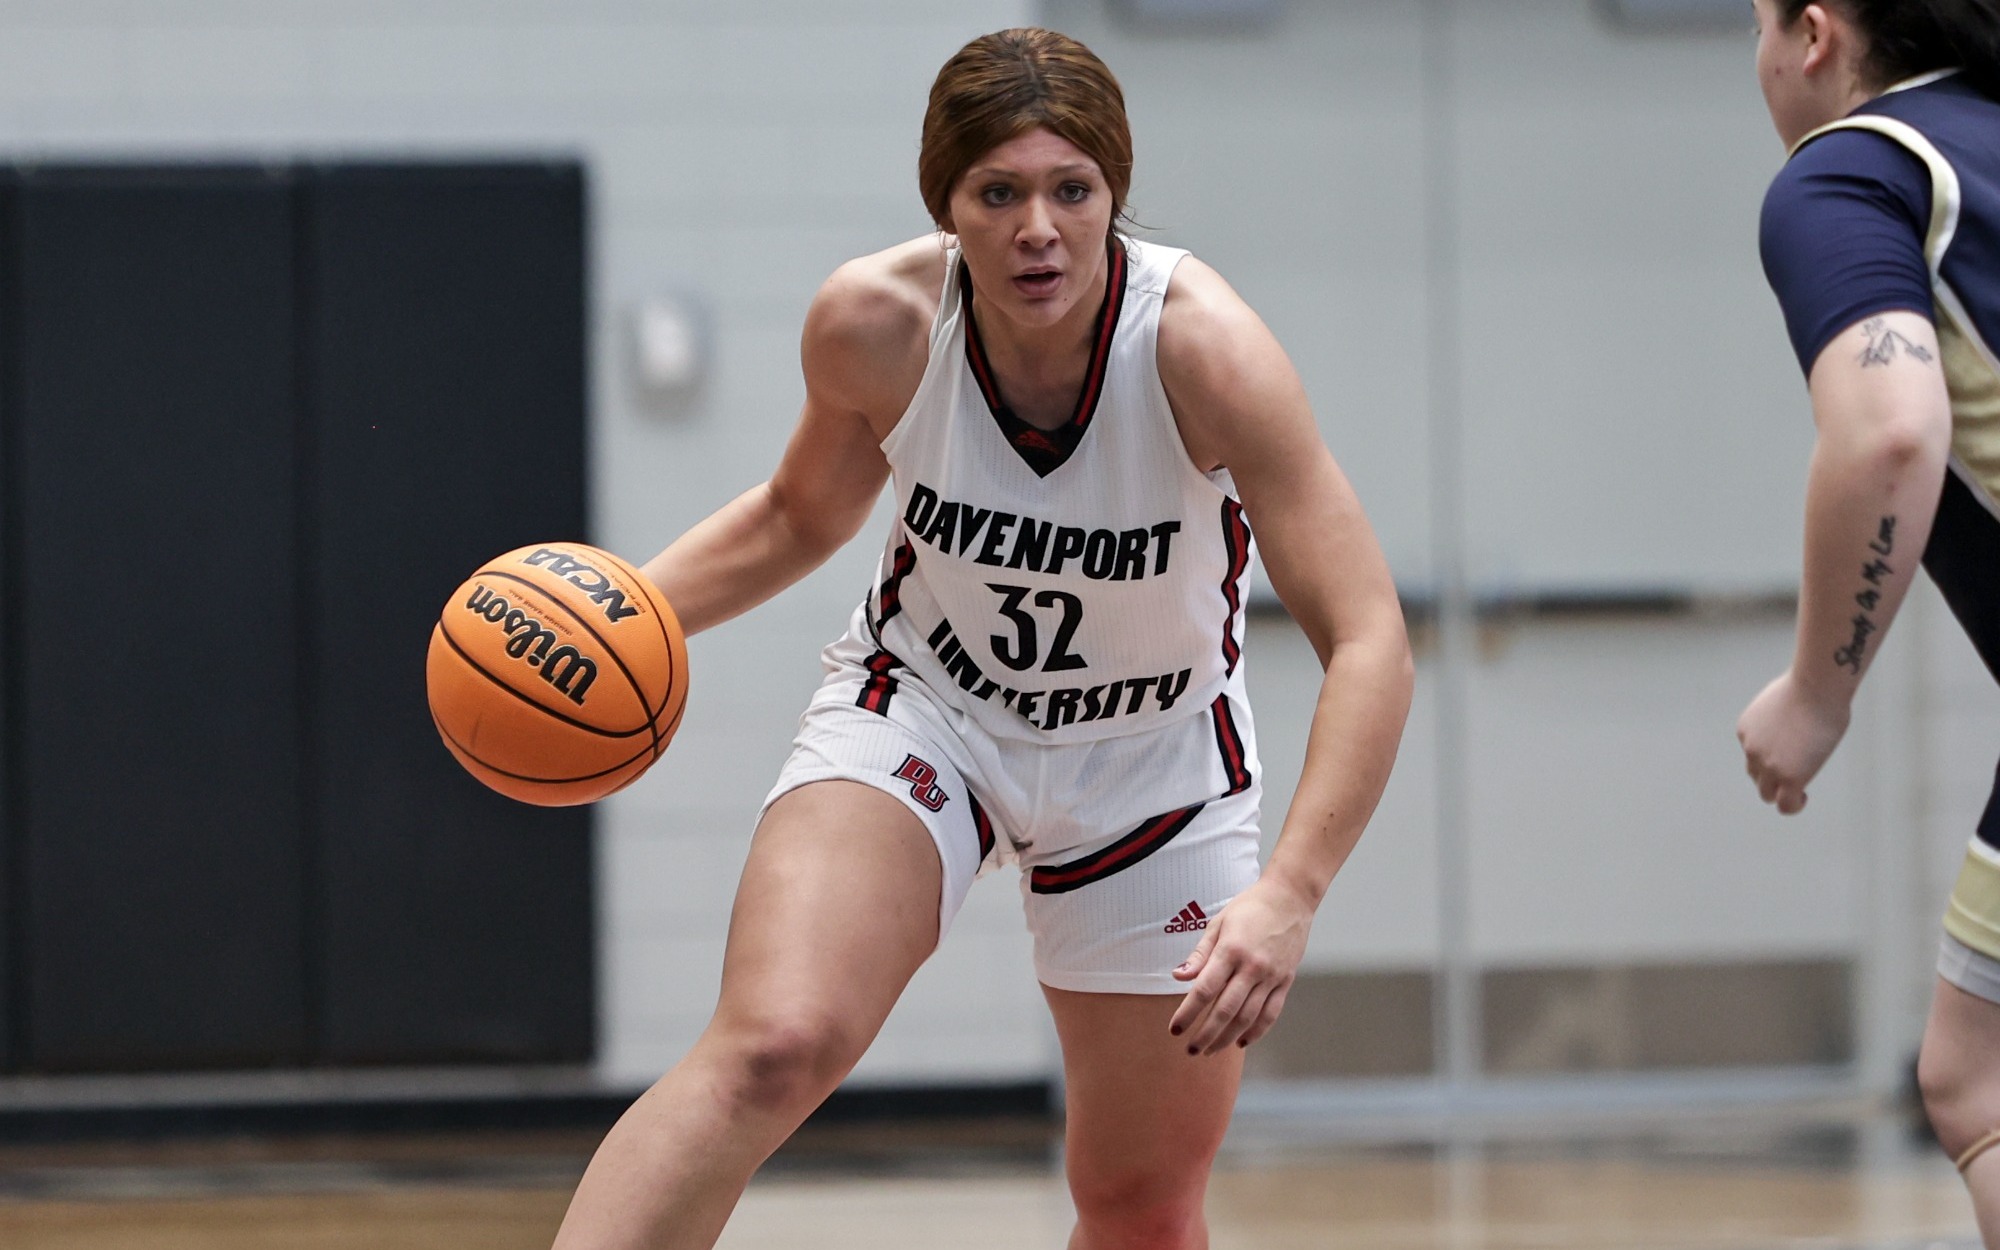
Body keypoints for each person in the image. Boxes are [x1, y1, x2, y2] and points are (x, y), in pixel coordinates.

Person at [550, 26, 1412, 1250]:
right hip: (927, 711)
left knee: (1140, 1208)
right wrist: (623, 612)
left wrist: (1291, 893)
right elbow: (800, 513)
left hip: (1152, 765)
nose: (1037, 228)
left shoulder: (1203, 349)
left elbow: (1369, 635)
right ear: (944, 205)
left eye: (1072, 190)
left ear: (1112, 194)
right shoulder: (878, 323)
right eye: (997, 193)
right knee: (769, 1046)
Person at [1738, 0, 2000, 1240]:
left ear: (1812, 32)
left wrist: (1815, 692)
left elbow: (1889, 427)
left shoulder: (1847, 170)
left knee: (1975, 1082)